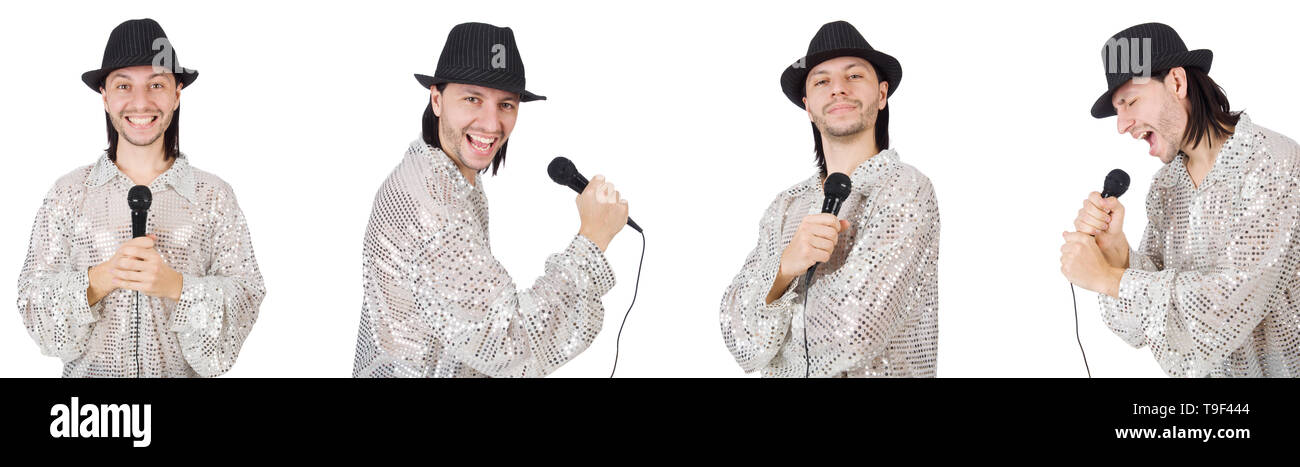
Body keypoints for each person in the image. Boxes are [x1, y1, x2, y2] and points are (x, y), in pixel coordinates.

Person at [353, 23, 630, 377]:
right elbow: (512, 343)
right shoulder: (432, 207)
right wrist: (592, 240)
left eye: (506, 105)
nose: (491, 123)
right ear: (437, 100)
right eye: (473, 99)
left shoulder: (443, 174)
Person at [17, 18, 266, 377]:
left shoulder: (213, 198)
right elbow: (31, 302)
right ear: (104, 96)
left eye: (156, 84)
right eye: (123, 86)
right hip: (97, 421)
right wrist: (100, 279)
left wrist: (175, 286)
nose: (140, 102)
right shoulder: (68, 195)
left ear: (177, 93)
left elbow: (246, 296)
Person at [1061, 22, 1300, 377]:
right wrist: (1117, 254)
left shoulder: (1273, 164)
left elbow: (1223, 312)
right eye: (1118, 108)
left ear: (1176, 82)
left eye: (1130, 101)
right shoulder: (1165, 187)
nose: (1121, 124)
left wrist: (1107, 279)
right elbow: (1142, 327)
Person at [720, 21, 940, 377]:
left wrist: (772, 323)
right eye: (822, 81)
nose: (838, 89)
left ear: (882, 95)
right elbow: (740, 343)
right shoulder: (784, 207)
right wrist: (785, 268)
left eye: (854, 76)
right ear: (808, 106)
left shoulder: (905, 189)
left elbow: (854, 334)